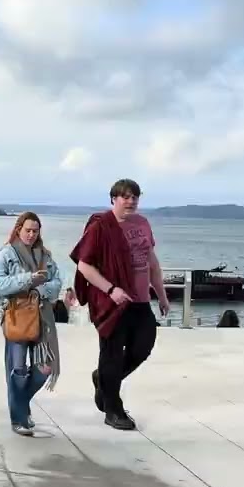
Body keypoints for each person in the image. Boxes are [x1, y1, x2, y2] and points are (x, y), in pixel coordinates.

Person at [70, 178, 169, 431]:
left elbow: (152, 262)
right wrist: (111, 290)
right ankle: (113, 409)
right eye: (125, 196)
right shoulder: (102, 226)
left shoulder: (143, 224)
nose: (131, 201)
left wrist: (162, 294)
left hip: (140, 301)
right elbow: (84, 265)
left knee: (143, 347)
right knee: (112, 356)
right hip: (112, 302)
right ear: (113, 198)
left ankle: (102, 379)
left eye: (135, 196)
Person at [0, 212, 62, 435]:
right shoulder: (7, 253)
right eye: (27, 230)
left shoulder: (45, 256)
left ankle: (20, 405)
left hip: (43, 318)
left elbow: (58, 282)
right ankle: (19, 418)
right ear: (19, 229)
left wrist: (41, 289)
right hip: (17, 316)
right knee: (18, 369)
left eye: (35, 231)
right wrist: (27, 280)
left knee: (46, 366)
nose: (31, 234)